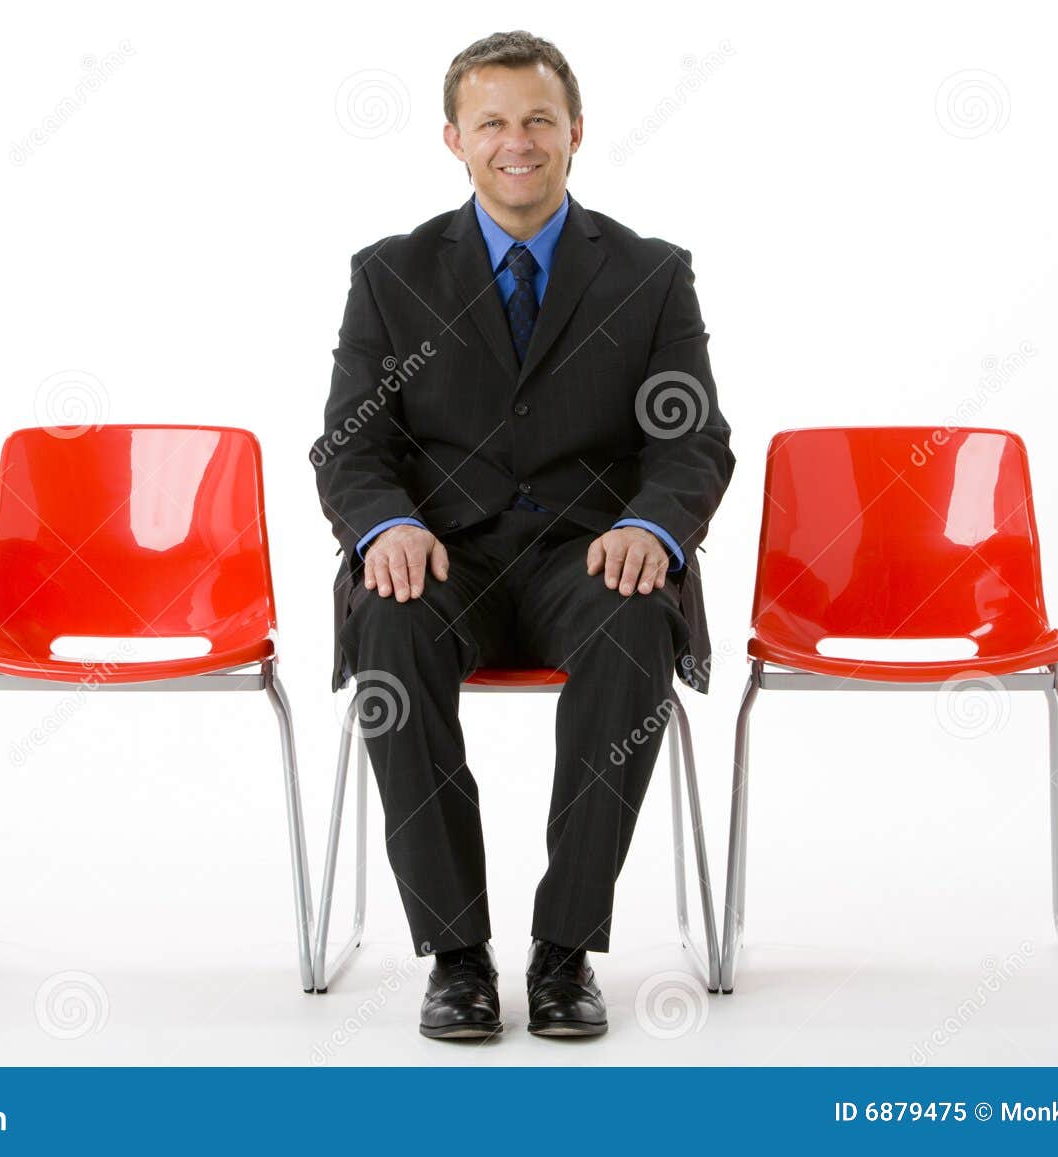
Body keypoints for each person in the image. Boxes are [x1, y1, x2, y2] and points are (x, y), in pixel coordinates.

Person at [312, 30, 733, 1039]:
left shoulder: (648, 273)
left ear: (575, 132)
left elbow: (692, 439)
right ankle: (455, 954)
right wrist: (384, 525)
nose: (517, 140)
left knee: (637, 622)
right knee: (390, 625)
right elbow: (349, 446)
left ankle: (564, 950)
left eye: (538, 119)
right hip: (443, 556)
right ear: (455, 139)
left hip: (584, 558)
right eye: (492, 122)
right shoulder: (392, 273)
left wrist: (652, 525)